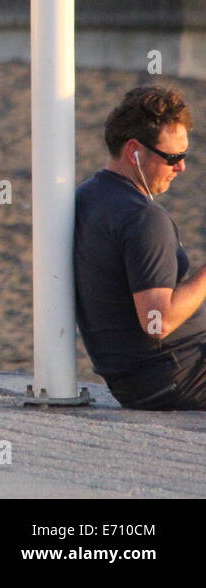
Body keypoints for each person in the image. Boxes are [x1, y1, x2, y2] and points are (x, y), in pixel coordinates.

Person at [74, 86, 206, 409]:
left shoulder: (86, 197)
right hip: (174, 378)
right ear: (134, 151)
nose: (181, 168)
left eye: (184, 156)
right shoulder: (144, 218)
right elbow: (156, 321)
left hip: (132, 380)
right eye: (172, 157)